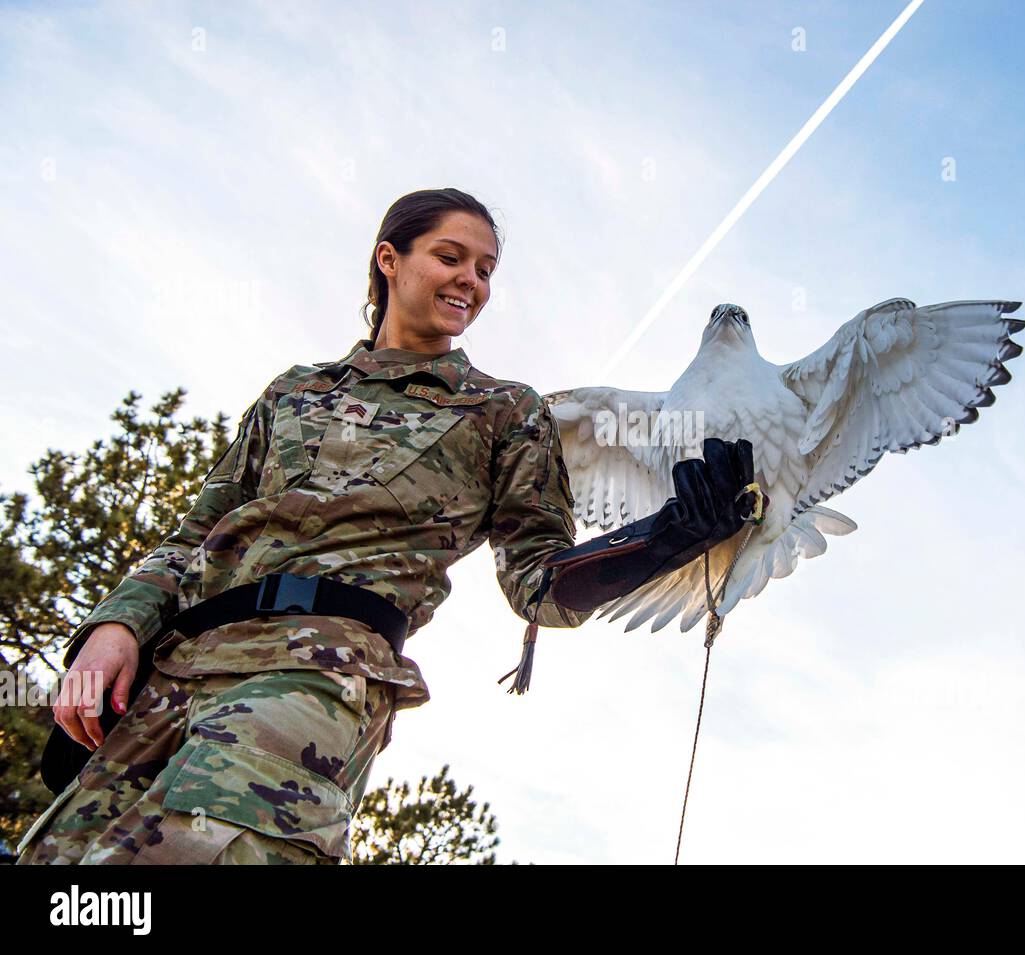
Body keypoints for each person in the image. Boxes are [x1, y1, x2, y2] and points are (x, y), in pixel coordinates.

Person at [16, 187, 759, 865]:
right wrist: (112, 628)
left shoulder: (503, 411)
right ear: (389, 259)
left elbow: (541, 586)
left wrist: (666, 538)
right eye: (451, 256)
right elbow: (193, 537)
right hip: (176, 667)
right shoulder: (293, 392)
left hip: (315, 675)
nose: (472, 280)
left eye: (486, 269)